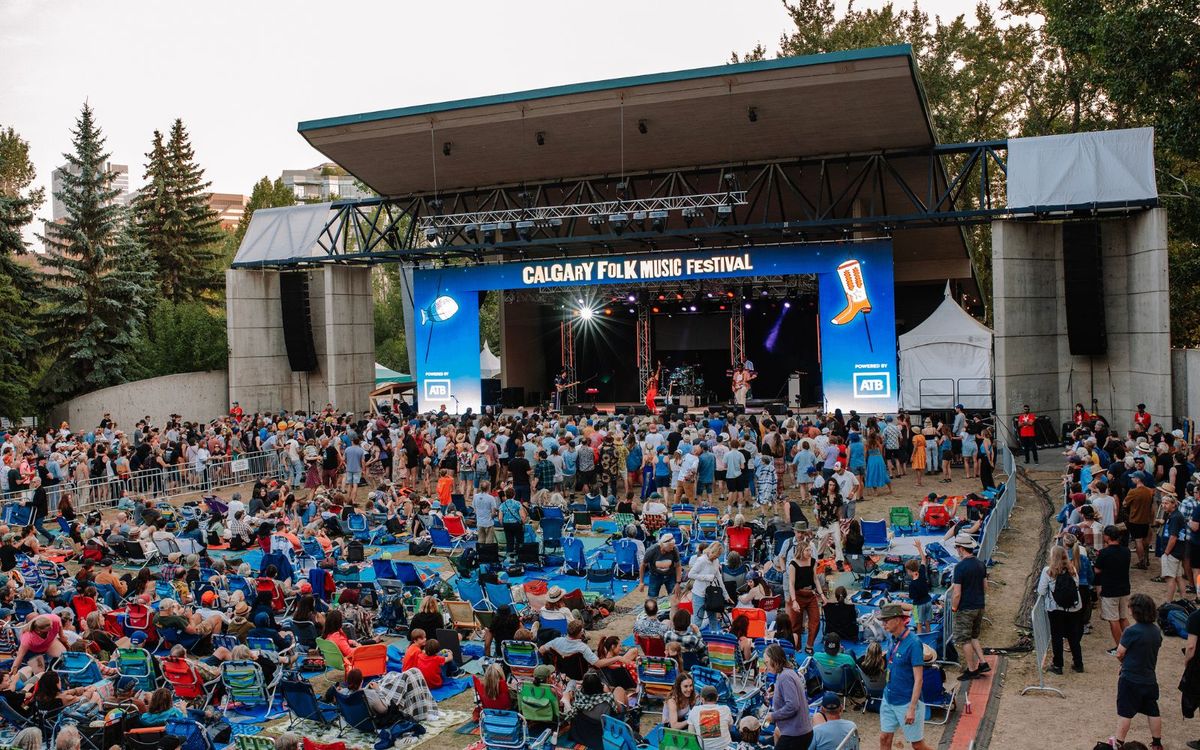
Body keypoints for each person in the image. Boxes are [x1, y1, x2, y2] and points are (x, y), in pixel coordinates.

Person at [1111, 593, 1163, 750]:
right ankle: (1157, 742)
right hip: (1149, 678)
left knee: (1125, 712)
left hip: (1130, 678)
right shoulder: (1155, 631)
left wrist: (1123, 662)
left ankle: (1118, 743)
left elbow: (1120, 652)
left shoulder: (1131, 631)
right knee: (1152, 710)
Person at [879, 602, 929, 750]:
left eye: (886, 620)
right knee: (884, 738)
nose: (884, 624)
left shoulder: (913, 643)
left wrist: (912, 708)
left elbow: (919, 679)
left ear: (898, 619)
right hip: (889, 697)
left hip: (906, 701)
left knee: (918, 746)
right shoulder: (892, 638)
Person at [1037, 544, 1083, 674]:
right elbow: (1077, 586)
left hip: (1055, 608)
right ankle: (1078, 663)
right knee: (1073, 636)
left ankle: (1058, 665)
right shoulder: (1072, 569)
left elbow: (1041, 591)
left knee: (1057, 636)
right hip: (1073, 608)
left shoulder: (1048, 571)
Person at [950, 533, 988, 680]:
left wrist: (954, 608)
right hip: (979, 605)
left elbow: (957, 593)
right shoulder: (981, 564)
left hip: (965, 608)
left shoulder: (960, 567)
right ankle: (983, 662)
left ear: (961, 549)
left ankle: (972, 670)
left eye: (957, 548)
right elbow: (985, 586)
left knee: (964, 639)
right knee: (974, 636)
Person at [763, 643, 812, 749]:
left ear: (774, 660)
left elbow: (793, 705)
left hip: (795, 734)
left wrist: (773, 716)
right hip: (798, 732)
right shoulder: (787, 673)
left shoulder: (785, 677)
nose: (766, 667)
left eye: (766, 663)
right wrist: (777, 692)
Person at [1094, 524, 1132, 654]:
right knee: (1123, 617)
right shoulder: (1126, 551)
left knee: (1113, 620)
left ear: (1108, 537)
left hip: (1110, 590)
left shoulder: (1104, 553)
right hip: (1124, 588)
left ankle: (1120, 647)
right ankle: (1130, 643)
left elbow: (1097, 569)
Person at [1157, 490, 1188, 602]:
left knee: (1170, 578)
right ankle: (1184, 599)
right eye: (1163, 503)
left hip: (1172, 552)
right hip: (1177, 552)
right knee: (1179, 577)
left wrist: (1166, 552)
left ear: (1174, 504)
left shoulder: (1175, 517)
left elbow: (1173, 537)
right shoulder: (1174, 515)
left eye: (1166, 503)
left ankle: (1168, 603)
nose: (1163, 505)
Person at [688, 684, 734, 750]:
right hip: (726, 748)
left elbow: (691, 735)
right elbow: (729, 727)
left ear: (702, 699)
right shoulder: (725, 709)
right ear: (717, 697)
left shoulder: (695, 710)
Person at [640, 533, 682, 598]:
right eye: (670, 548)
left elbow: (678, 566)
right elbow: (643, 565)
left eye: (672, 547)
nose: (672, 549)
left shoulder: (674, 549)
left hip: (670, 575)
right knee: (652, 598)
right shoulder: (651, 550)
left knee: (674, 596)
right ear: (663, 546)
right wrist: (641, 582)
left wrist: (678, 583)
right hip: (655, 575)